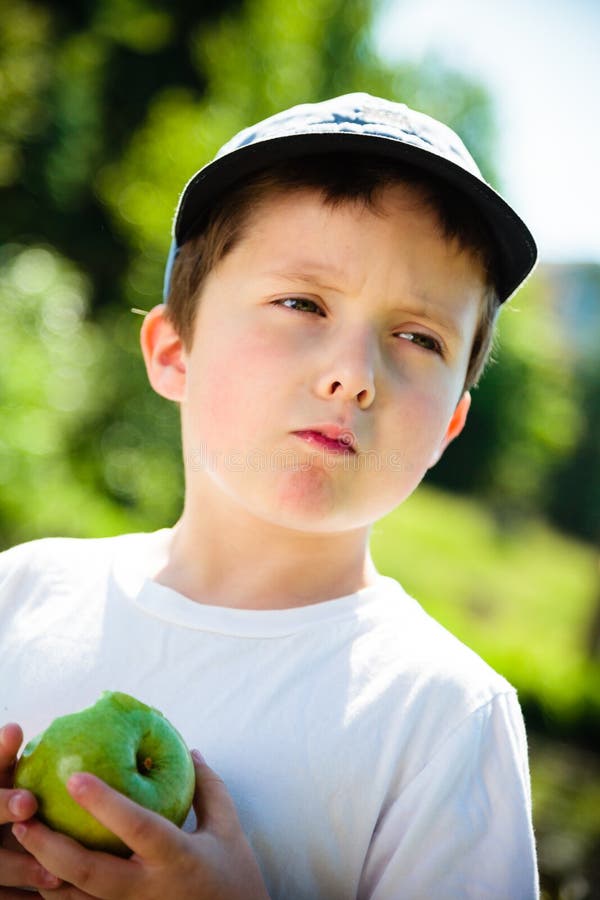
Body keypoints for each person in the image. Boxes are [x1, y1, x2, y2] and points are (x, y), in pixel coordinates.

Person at [0, 93, 539, 898]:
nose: (353, 376)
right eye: (302, 304)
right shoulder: (20, 596)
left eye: (418, 338)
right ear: (175, 350)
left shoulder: (441, 717)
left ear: (452, 424)